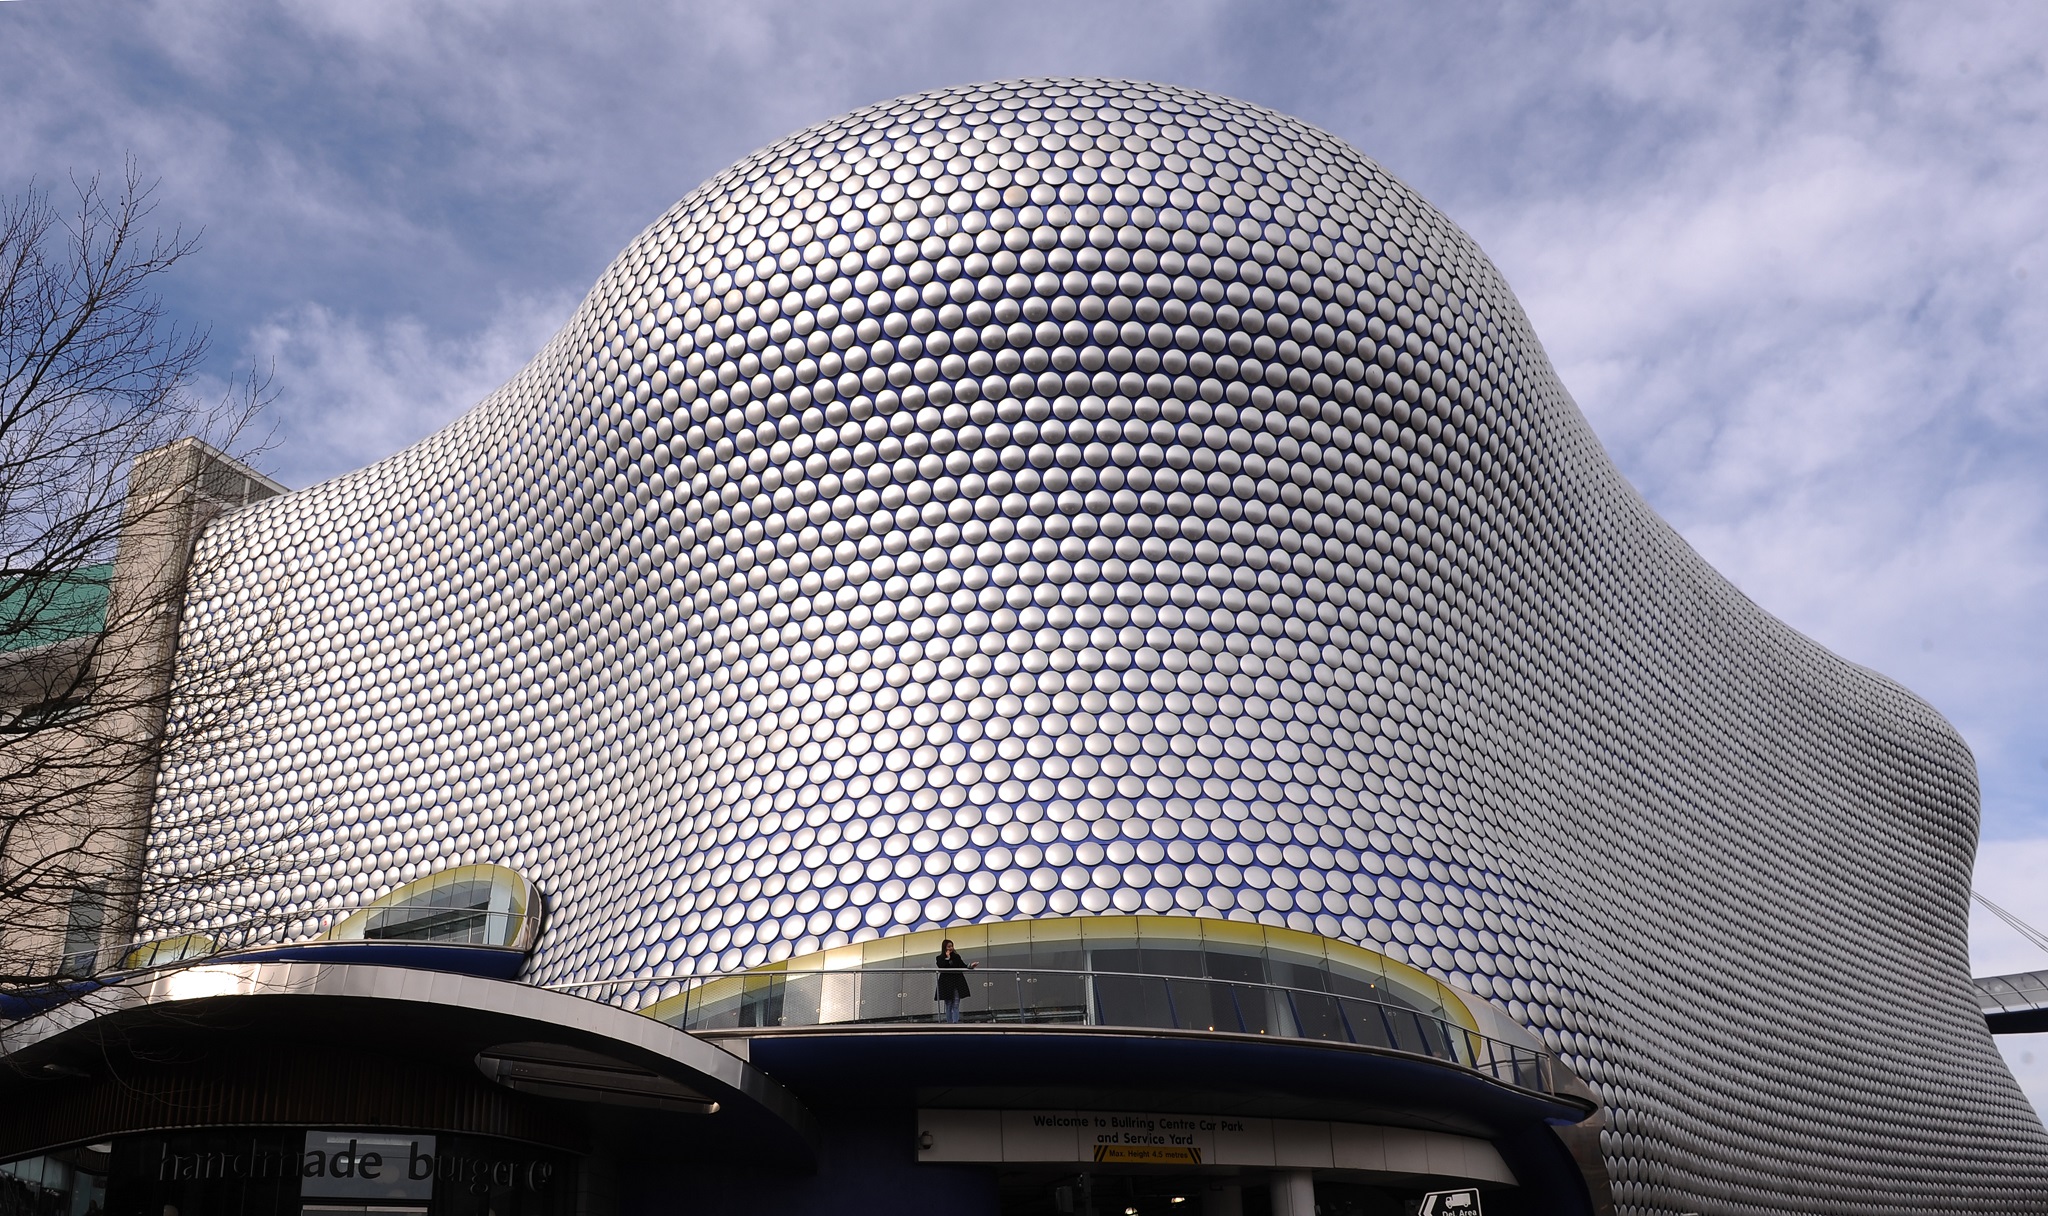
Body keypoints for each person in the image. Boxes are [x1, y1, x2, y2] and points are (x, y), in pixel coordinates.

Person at [933, 939, 978, 1023]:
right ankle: (949, 1022)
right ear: (945, 947)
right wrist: (947, 958)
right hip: (946, 984)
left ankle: (955, 1022)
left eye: (952, 946)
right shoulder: (940, 958)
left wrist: (971, 966)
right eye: (949, 946)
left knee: (956, 1004)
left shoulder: (957, 957)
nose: (951, 948)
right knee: (948, 1004)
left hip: (957, 982)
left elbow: (962, 965)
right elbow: (941, 966)